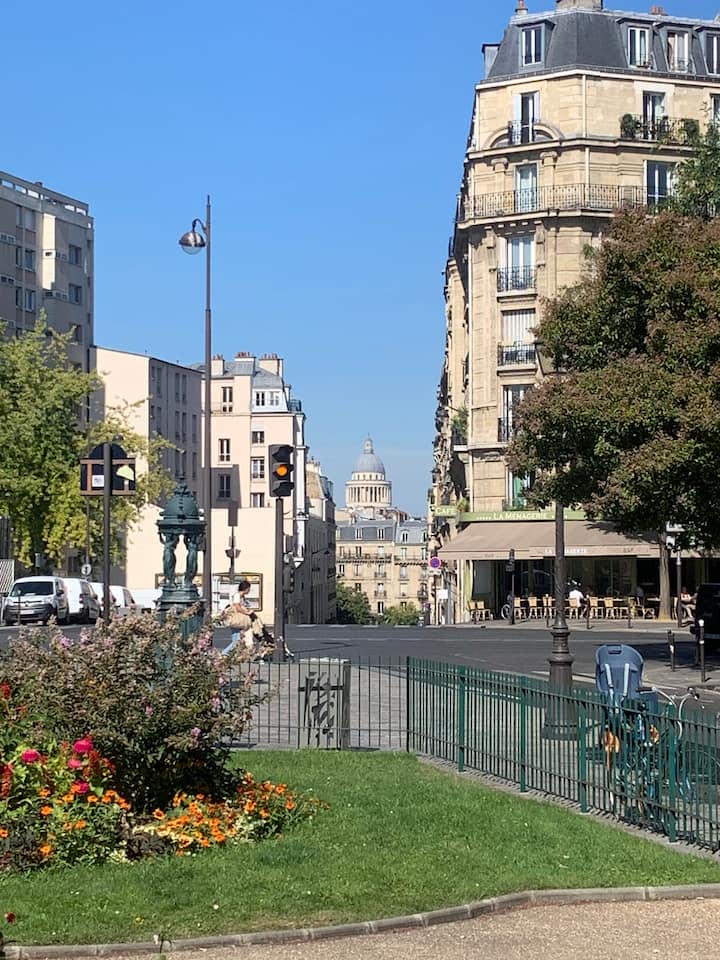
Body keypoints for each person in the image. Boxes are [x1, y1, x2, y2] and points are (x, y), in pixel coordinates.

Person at [220, 580, 255, 656]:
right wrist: (247, 612)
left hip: (240, 621)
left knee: (238, 640)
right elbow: (237, 607)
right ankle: (224, 653)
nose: (249, 590)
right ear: (246, 589)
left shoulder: (242, 597)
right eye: (249, 588)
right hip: (236, 619)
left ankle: (230, 654)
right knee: (236, 641)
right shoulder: (237, 596)